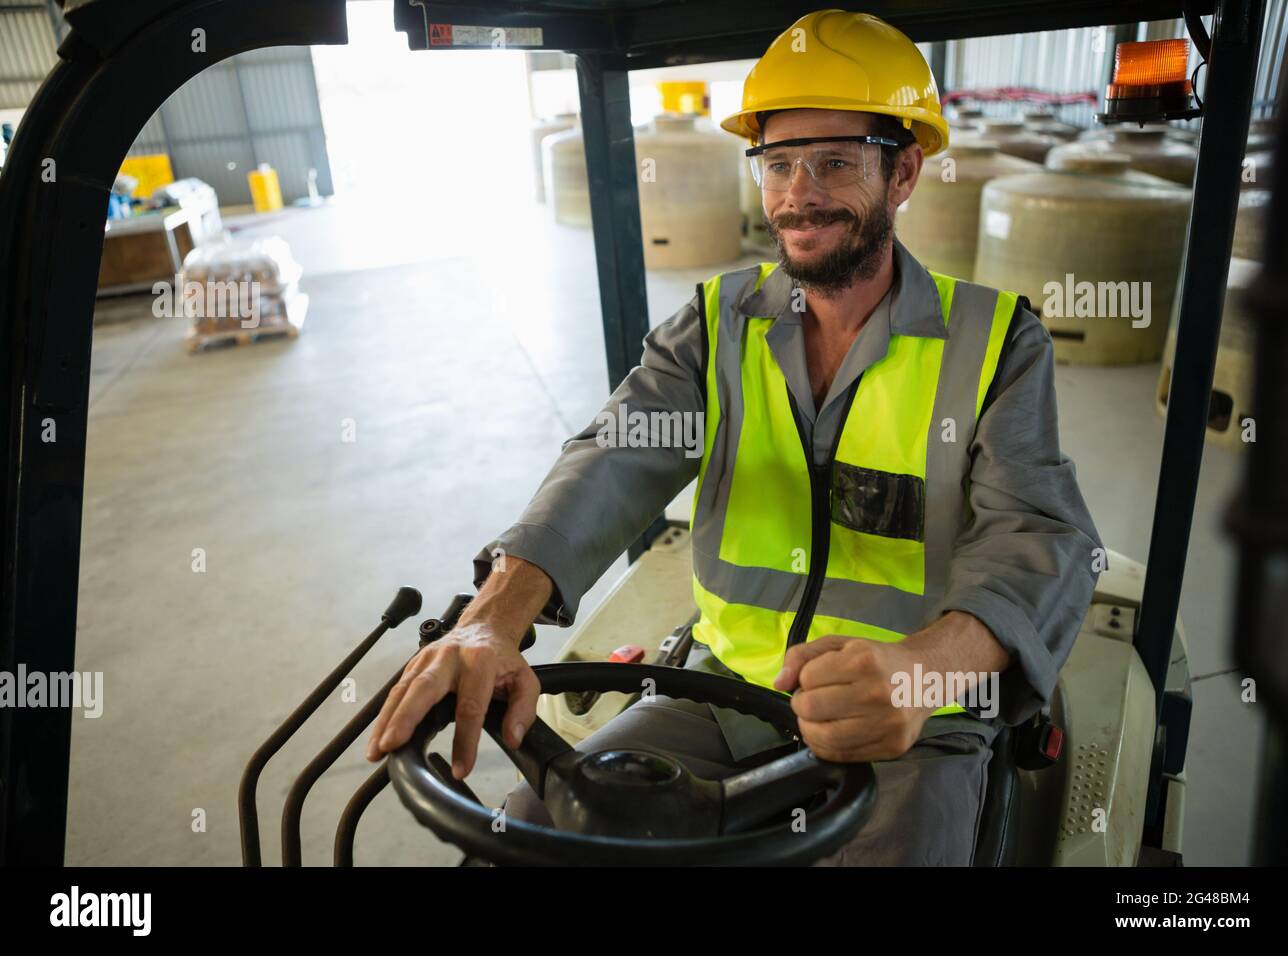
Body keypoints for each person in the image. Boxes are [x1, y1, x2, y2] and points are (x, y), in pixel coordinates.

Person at [367, 9, 1102, 865]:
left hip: (906, 720)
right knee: (536, 835)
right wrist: (492, 622)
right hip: (716, 694)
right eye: (779, 163)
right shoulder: (717, 325)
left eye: (833, 162)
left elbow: (1041, 535)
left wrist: (927, 671)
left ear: (904, 171)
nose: (799, 193)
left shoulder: (996, 343)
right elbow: (616, 456)